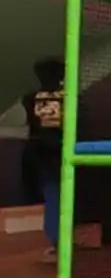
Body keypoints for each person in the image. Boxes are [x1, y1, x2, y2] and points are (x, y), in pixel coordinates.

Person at [22, 58, 65, 263]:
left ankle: (59, 243)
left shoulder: (30, 98)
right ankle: (60, 243)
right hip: (57, 153)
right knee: (56, 196)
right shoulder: (69, 98)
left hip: (44, 153)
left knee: (53, 195)